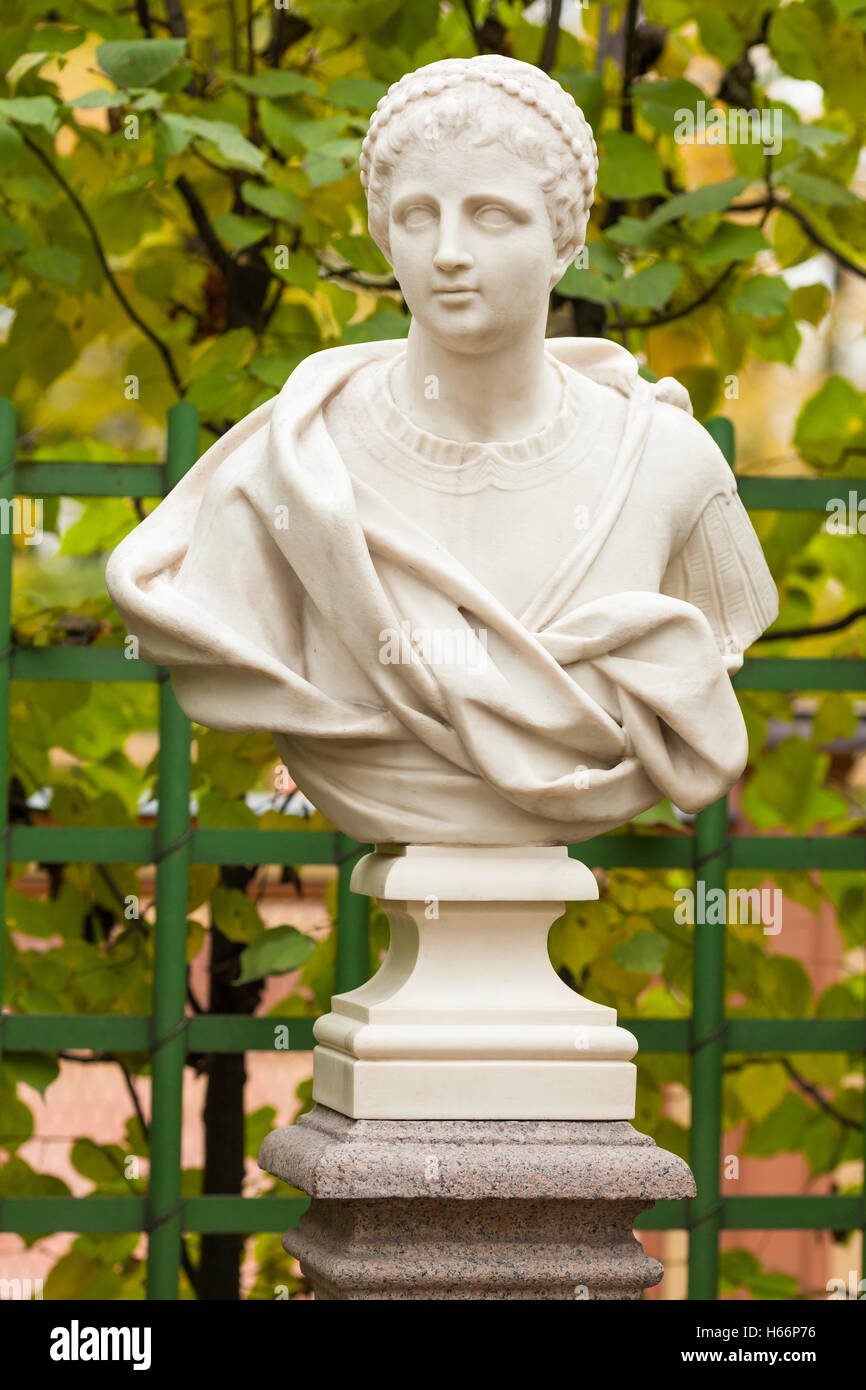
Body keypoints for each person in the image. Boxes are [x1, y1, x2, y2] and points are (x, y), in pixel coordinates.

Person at [106, 55, 778, 847]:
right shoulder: (286, 471)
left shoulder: (667, 465)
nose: (449, 251)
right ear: (384, 235)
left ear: (564, 239)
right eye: (419, 214)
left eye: (492, 215)